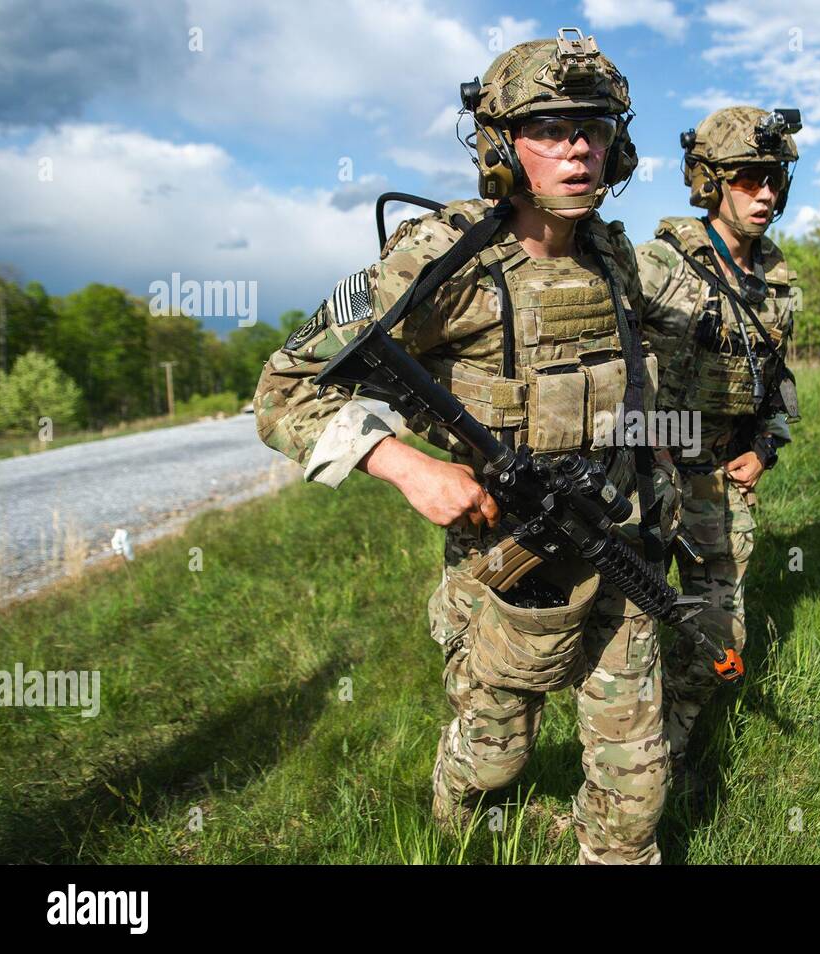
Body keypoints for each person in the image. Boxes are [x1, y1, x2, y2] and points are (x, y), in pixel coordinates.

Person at [253, 28, 680, 864]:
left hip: (615, 544)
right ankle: (449, 824)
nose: (579, 150)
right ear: (500, 145)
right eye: (551, 129)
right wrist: (404, 464)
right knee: (495, 757)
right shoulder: (442, 259)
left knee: (638, 789)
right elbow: (283, 390)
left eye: (594, 128)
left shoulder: (610, 254)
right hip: (502, 564)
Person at [634, 106, 801, 790]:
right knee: (624, 637)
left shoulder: (777, 280)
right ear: (709, 183)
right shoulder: (657, 265)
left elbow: (777, 378)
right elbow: (601, 365)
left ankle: (669, 755)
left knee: (717, 633)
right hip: (645, 469)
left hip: (719, 475)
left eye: (775, 179)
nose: (765, 193)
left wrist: (766, 445)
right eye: (748, 179)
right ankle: (623, 774)